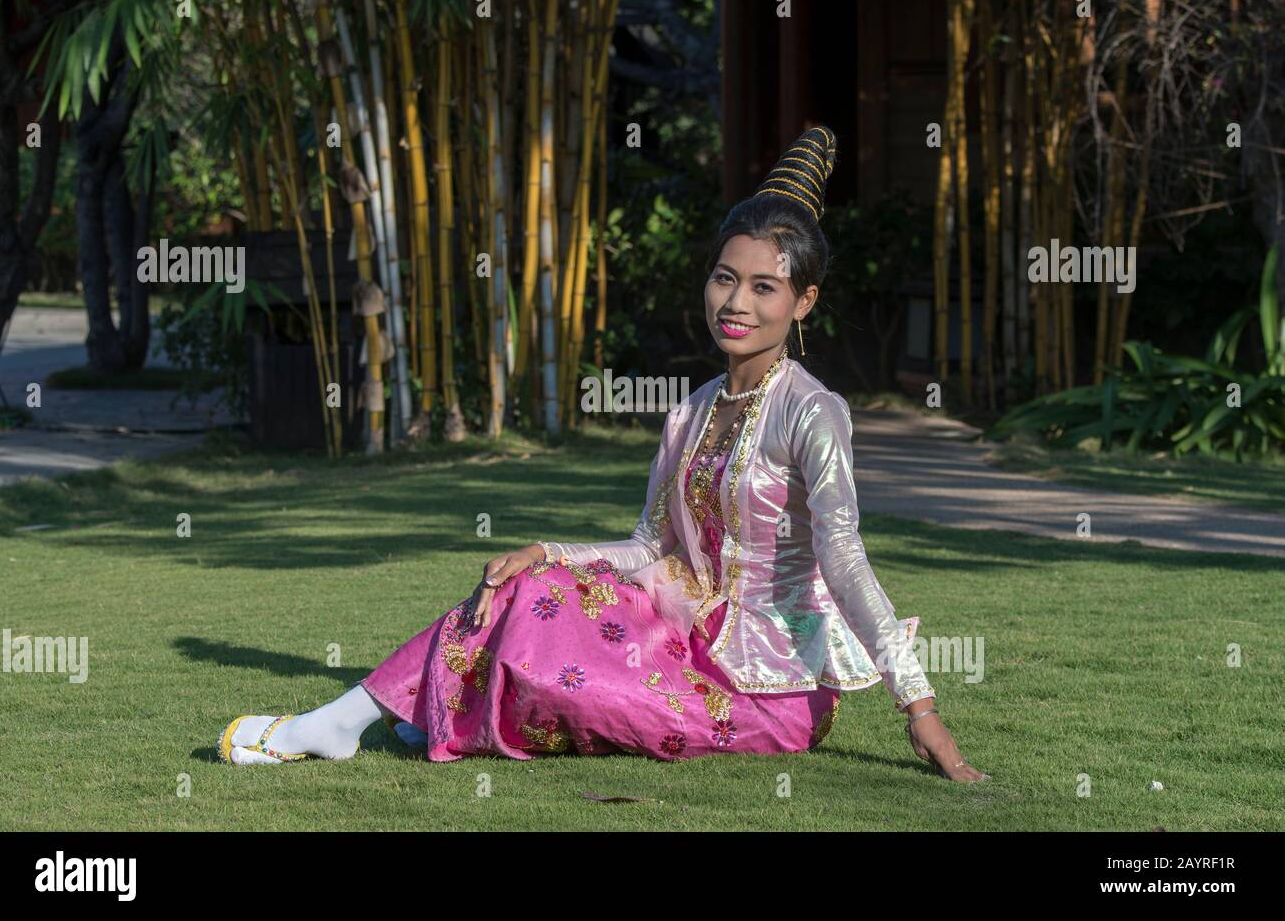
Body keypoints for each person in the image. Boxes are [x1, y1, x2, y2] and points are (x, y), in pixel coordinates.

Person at [217, 126, 989, 781]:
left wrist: (919, 707)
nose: (737, 303)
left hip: (770, 693)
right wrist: (545, 548)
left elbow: (845, 557)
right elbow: (650, 545)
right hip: (687, 635)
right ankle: (350, 718)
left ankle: (372, 716)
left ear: (803, 301)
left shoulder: (813, 412)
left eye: (764, 287)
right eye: (725, 278)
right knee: (536, 587)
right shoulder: (690, 413)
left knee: (564, 675)